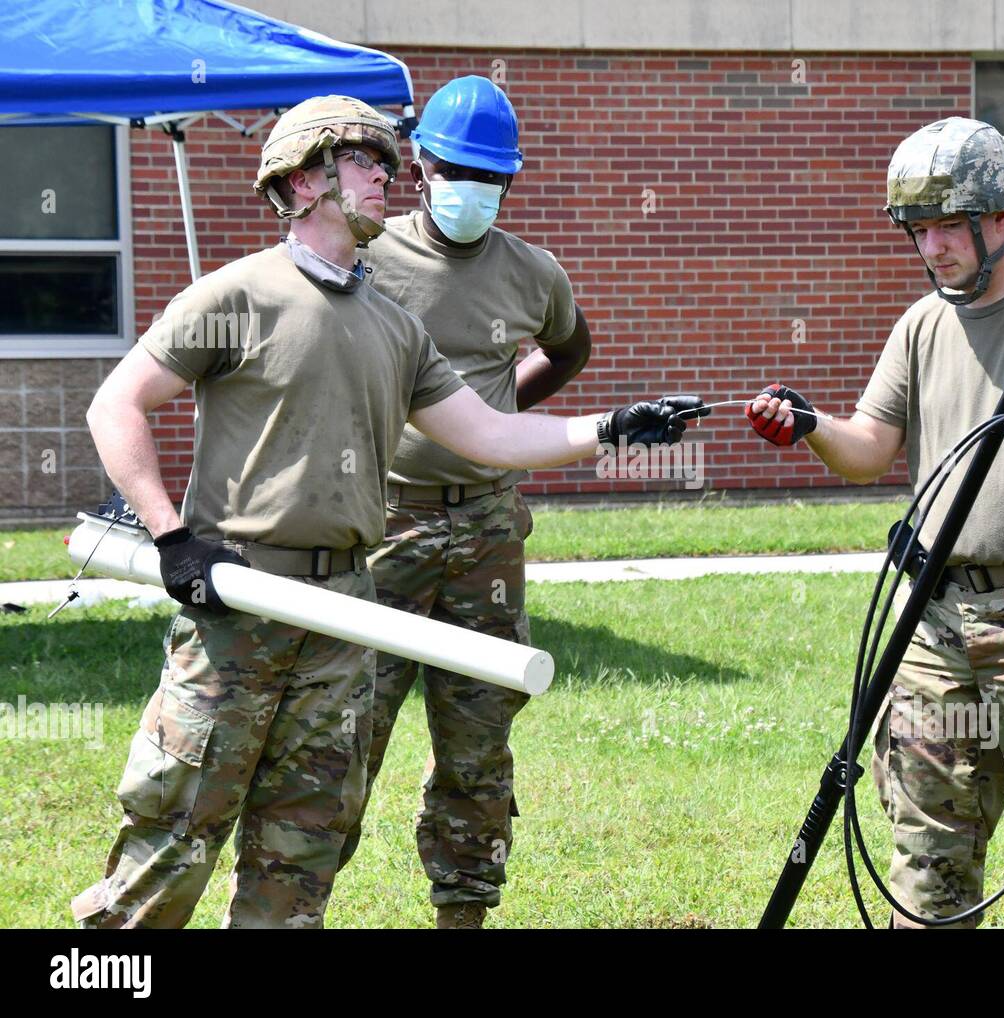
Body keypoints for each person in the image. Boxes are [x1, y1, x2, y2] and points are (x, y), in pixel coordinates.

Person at [71, 94, 705, 929]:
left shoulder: (394, 326)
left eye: (388, 161)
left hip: (344, 613)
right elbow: (116, 406)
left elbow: (487, 434)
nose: (392, 176)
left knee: (300, 853)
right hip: (236, 602)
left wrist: (611, 430)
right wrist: (173, 540)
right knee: (176, 835)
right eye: (369, 162)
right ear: (305, 181)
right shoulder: (236, 295)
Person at [745, 117, 1004, 928]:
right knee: (925, 859)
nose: (933, 247)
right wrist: (810, 425)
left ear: (1002, 216)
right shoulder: (922, 323)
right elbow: (872, 448)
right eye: (919, 229)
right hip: (937, 624)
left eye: (949, 225)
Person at [331, 76, 587, 929]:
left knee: (478, 741)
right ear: (422, 165)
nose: (472, 190)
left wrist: (502, 411)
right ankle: (294, 902)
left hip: (485, 529)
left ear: (509, 183)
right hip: (386, 523)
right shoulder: (368, 257)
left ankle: (464, 911)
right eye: (456, 170)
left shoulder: (530, 272)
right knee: (347, 729)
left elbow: (569, 346)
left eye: (492, 177)